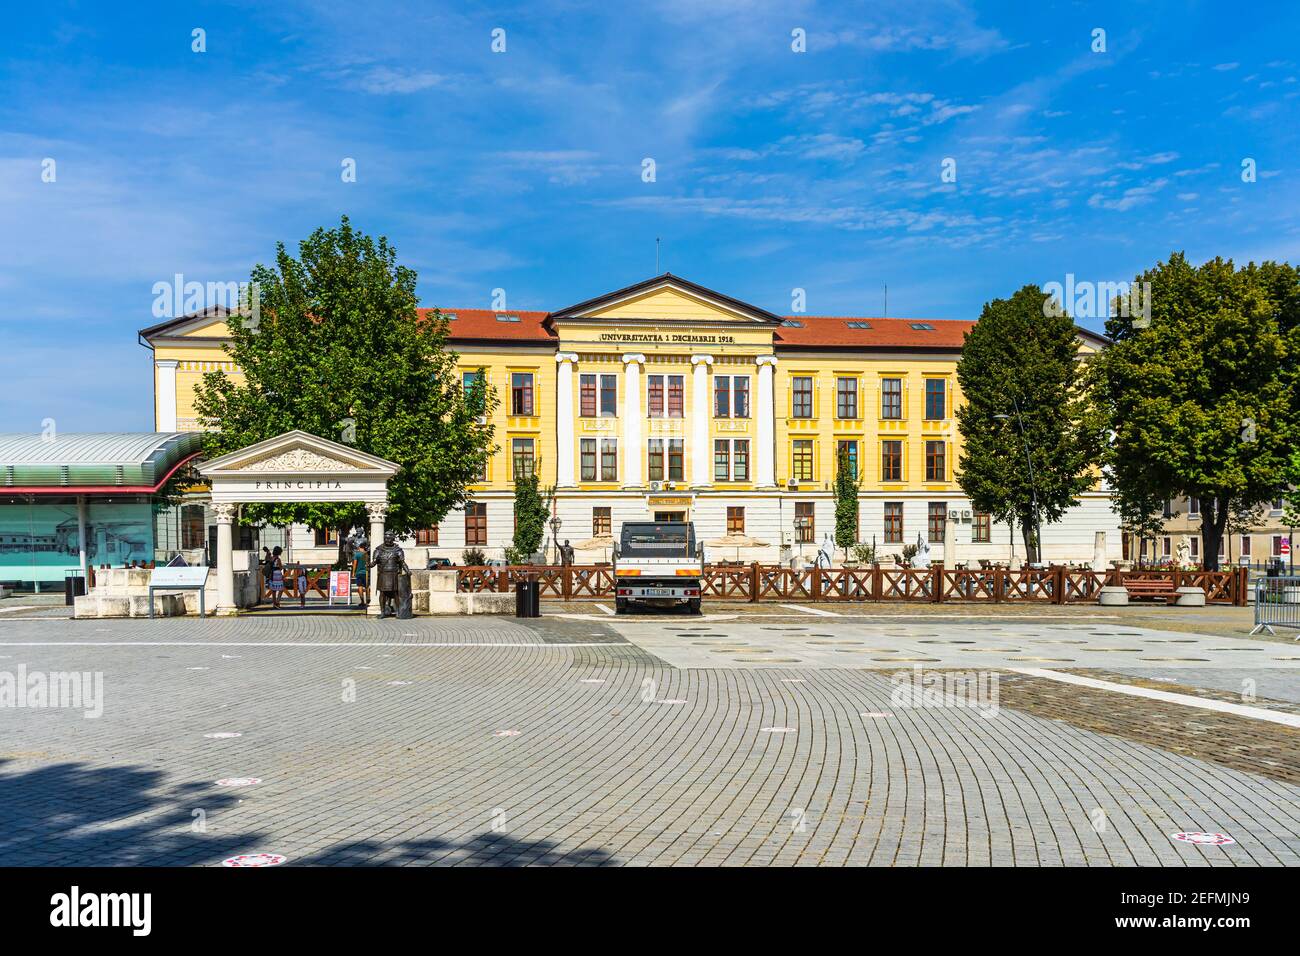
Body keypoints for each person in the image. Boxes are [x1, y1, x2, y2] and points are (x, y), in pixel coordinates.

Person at [352, 539, 370, 608]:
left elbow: (355, 564)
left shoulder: (357, 555)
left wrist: (353, 572)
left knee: (360, 586)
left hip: (359, 573)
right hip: (366, 572)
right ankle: (368, 599)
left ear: (360, 547)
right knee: (367, 586)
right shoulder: (367, 555)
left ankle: (362, 601)